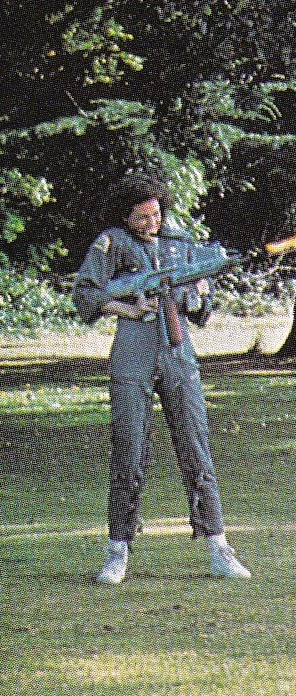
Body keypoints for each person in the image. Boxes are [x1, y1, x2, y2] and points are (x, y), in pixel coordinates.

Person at [73, 173, 251, 584]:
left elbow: (203, 315)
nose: (150, 222)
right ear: (126, 216)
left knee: (197, 448)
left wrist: (200, 293)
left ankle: (218, 547)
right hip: (132, 358)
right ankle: (118, 551)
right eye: (141, 217)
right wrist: (127, 308)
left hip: (178, 357)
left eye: (155, 213)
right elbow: (86, 294)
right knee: (129, 453)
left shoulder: (182, 245)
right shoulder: (111, 244)